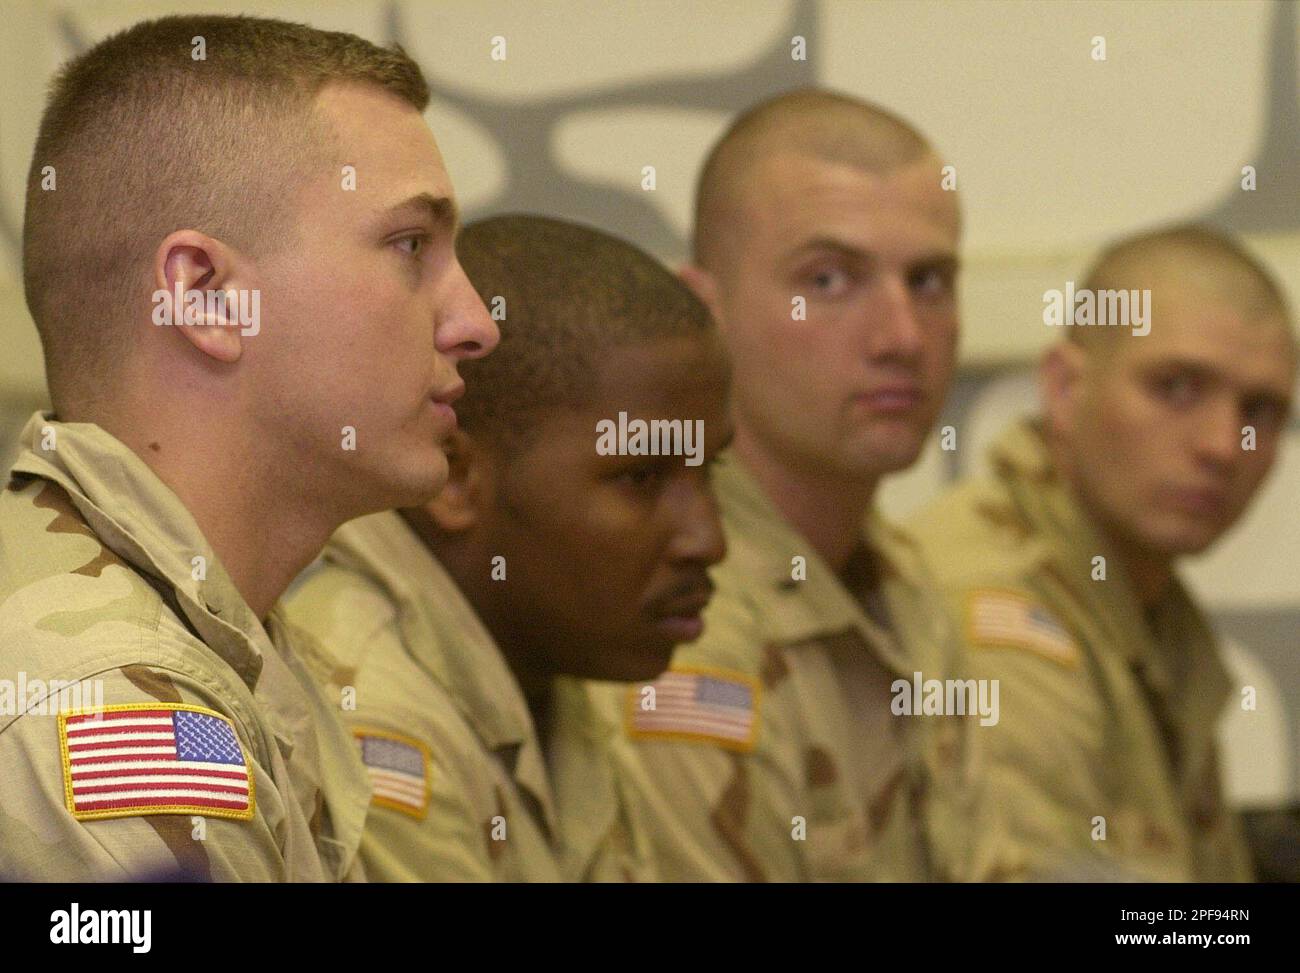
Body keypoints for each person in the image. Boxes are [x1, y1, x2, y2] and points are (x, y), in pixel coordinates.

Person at [0, 14, 497, 881]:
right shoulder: (107, 700)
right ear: (205, 296)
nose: (476, 324)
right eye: (410, 245)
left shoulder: (219, 638)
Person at [580, 88, 981, 881]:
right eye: (830, 280)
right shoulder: (676, 618)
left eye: (929, 281)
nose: (901, 337)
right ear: (704, 311)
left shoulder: (907, 585)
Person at [283, 214, 733, 880]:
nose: (710, 539)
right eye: (641, 476)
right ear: (457, 478)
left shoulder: (547, 662)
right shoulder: (374, 722)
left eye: (710, 471)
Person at [910, 224, 1295, 881]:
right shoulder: (995, 603)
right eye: (1177, 386)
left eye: (1260, 409)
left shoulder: (1145, 604)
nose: (1224, 444)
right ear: (1064, 387)